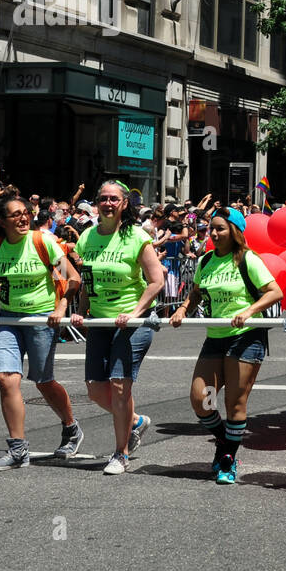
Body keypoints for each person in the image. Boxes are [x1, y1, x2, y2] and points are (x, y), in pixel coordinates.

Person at [0, 197, 83, 470]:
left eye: (26, 213)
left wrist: (61, 306)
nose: (23, 218)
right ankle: (17, 449)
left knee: (43, 382)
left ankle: (71, 428)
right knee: (5, 379)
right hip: (9, 319)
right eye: (16, 215)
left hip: (41, 320)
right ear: (2, 222)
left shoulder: (43, 242)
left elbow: (72, 278)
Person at [171, 208, 282, 484]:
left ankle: (228, 461)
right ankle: (224, 441)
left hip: (246, 337)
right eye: (212, 229)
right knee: (201, 399)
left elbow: (275, 291)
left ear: (234, 230)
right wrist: (183, 308)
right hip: (215, 337)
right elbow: (196, 292)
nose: (214, 234)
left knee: (235, 403)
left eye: (220, 228)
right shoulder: (206, 260)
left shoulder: (248, 259)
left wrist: (248, 311)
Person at [72, 180, 165, 475]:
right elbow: (86, 280)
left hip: (133, 323)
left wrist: (135, 311)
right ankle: (135, 421)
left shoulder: (137, 236)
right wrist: (81, 311)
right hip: (100, 321)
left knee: (119, 386)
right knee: (96, 391)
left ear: (125, 203)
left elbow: (156, 281)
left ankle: (120, 454)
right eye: (103, 199)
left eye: (114, 199)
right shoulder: (86, 237)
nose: (108, 203)